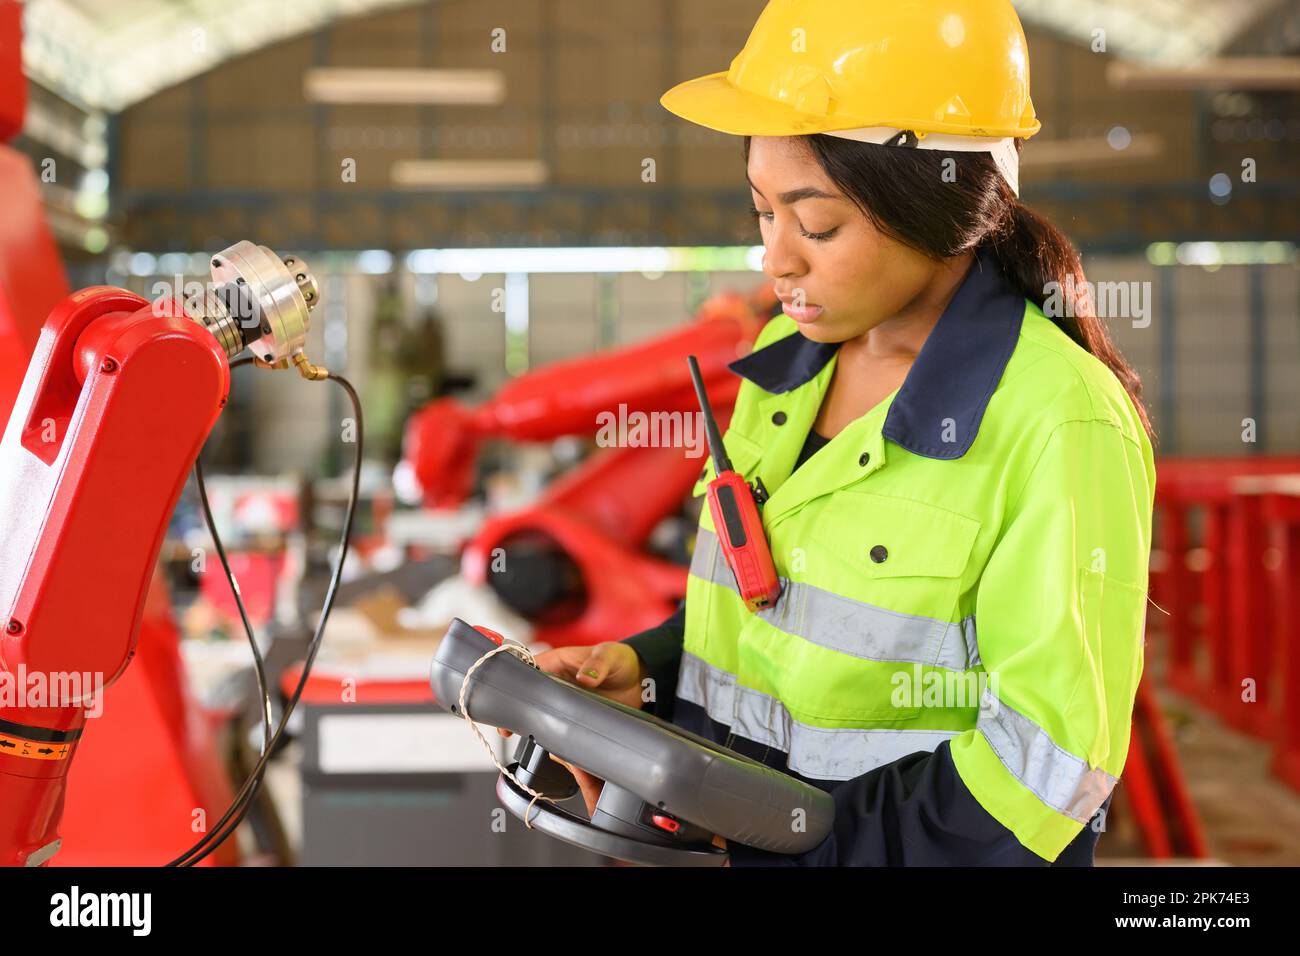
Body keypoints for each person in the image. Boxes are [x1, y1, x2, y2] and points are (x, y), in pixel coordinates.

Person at [515, 0, 1157, 866]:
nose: (776, 260)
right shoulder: (787, 362)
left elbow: (1048, 769)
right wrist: (650, 672)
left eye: (815, 224)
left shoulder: (1058, 419)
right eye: (761, 214)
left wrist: (791, 842)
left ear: (935, 205)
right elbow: (771, 621)